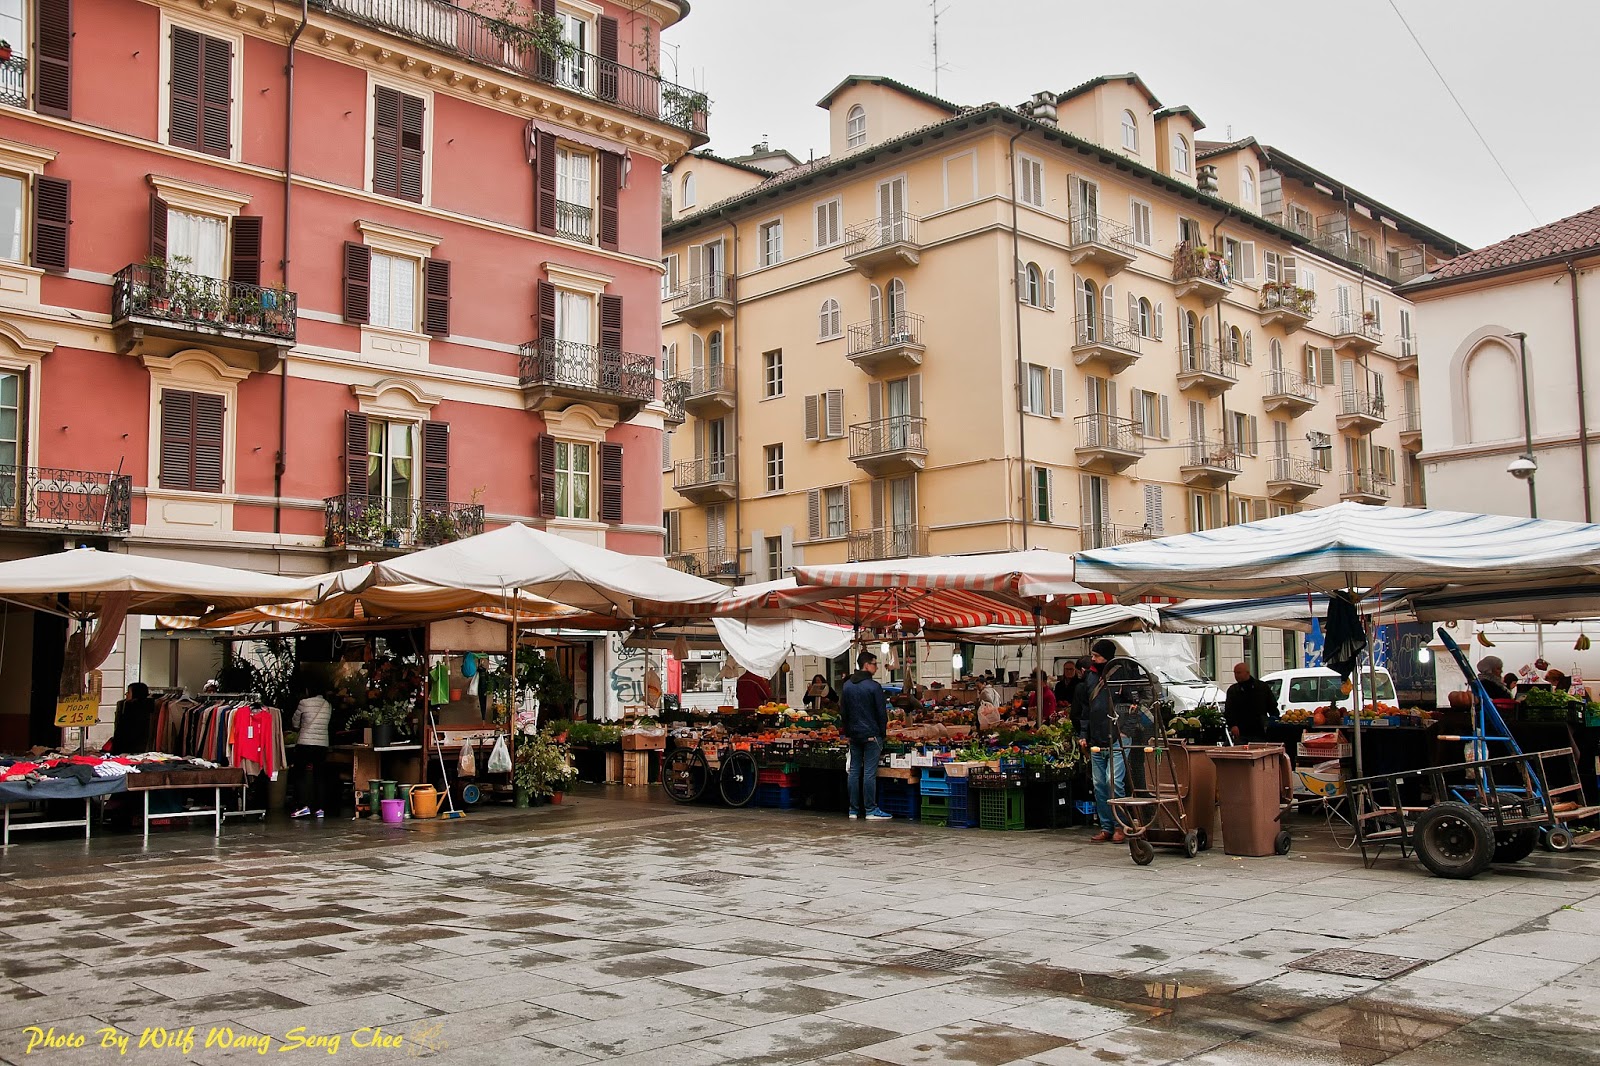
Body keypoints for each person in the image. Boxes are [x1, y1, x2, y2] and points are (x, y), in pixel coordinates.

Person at [1075, 640, 1126, 844]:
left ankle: (1120, 825)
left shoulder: (1122, 674)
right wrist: (1083, 735)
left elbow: (1133, 703)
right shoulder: (1091, 676)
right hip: (1097, 737)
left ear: (1106, 656)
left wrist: (1125, 730)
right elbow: (1087, 710)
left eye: (1096, 656)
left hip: (1118, 737)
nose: (1093, 659)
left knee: (1114, 782)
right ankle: (1106, 826)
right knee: (1099, 784)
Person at [840, 650, 891, 820]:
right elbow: (881, 713)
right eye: (875, 664)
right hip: (871, 735)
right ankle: (870, 809)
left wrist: (847, 732)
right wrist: (882, 734)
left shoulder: (847, 686)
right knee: (869, 773)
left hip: (854, 736)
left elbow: (844, 712)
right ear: (866, 665)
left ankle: (853, 810)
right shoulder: (874, 687)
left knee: (854, 772)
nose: (876, 667)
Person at [291, 688, 334, 819]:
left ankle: (303, 806)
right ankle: (320, 809)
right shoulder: (327, 705)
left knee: (300, 775)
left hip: (305, 743)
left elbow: (295, 723)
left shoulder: (304, 702)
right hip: (322, 745)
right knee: (319, 776)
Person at [1225, 663, 1276, 743]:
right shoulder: (1233, 690)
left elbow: (1272, 706)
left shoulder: (1261, 687)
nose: (1236, 676)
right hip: (1241, 730)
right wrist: (1233, 725)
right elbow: (1229, 710)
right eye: (1235, 673)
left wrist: (1272, 722)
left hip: (1259, 729)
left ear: (1247, 673)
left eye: (1239, 673)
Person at [110, 683, 155, 756]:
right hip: (134, 750)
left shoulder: (135, 710)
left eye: (129, 692)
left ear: (136, 693)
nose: (126, 694)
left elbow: (126, 732)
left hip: (130, 750)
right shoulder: (132, 706)